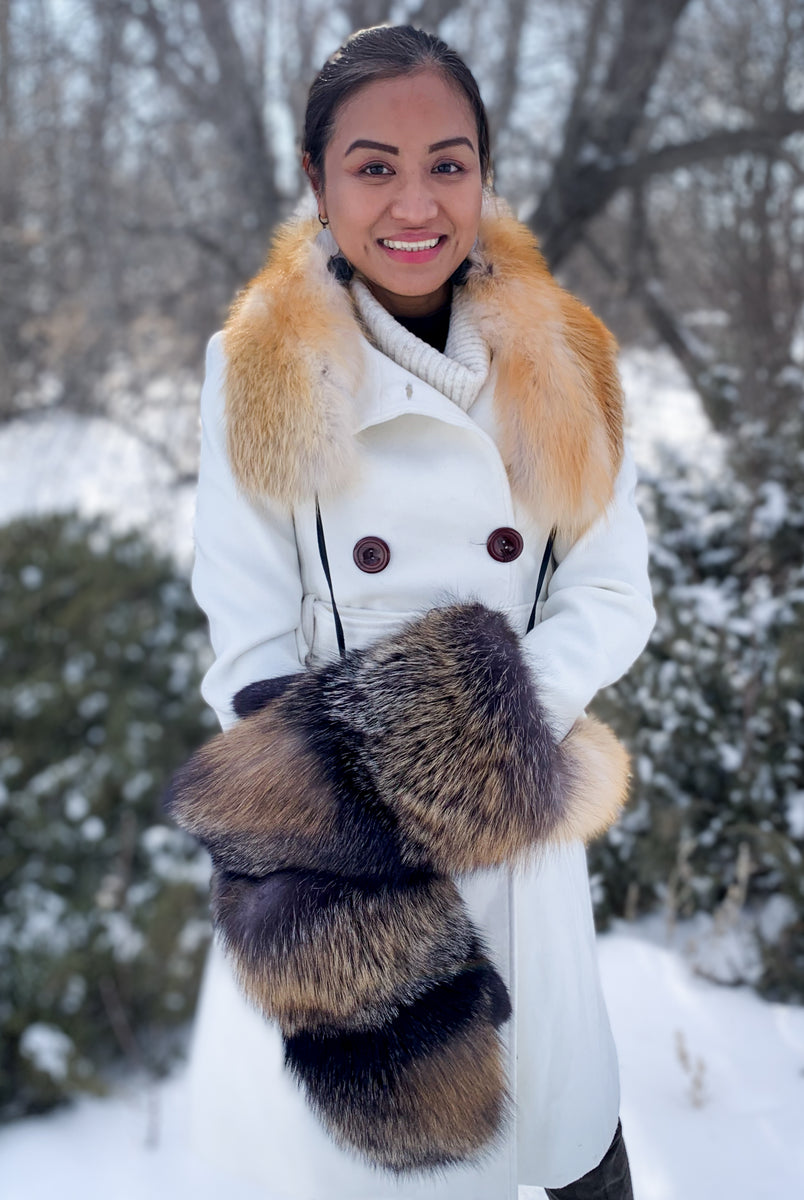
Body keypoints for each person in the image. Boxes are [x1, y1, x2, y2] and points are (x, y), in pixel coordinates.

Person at [184, 24, 655, 1200]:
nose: (414, 201)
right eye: (373, 165)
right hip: (351, 876)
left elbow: (611, 590)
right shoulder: (255, 363)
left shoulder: (567, 354)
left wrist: (482, 732)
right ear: (316, 177)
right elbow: (245, 632)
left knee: (571, 1147)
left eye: (447, 163)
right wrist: (376, 802)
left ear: (486, 173)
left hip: (525, 851)